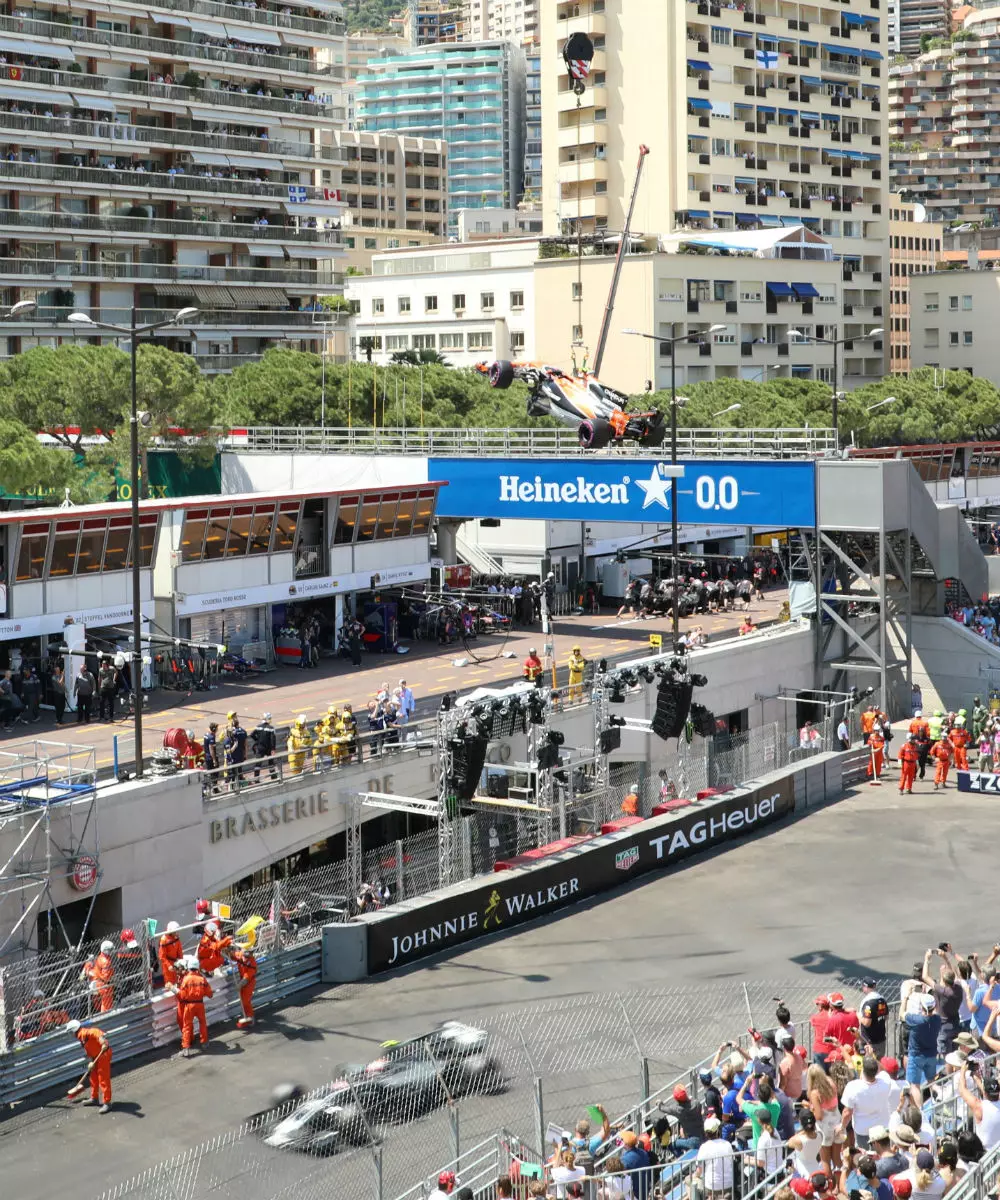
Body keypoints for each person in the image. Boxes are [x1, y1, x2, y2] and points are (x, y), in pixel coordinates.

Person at [839, 1057, 892, 1149]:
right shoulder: (886, 1082)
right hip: (883, 1128)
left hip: (863, 1132)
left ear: (863, 1070)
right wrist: (872, 1056)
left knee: (867, 1159)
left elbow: (847, 1112)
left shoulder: (853, 1087)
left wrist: (842, 1126)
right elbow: (883, 1070)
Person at [903, 993, 942, 1106]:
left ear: (922, 1007)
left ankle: (920, 1113)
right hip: (931, 1055)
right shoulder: (937, 1019)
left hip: (916, 1056)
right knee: (931, 1081)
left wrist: (905, 998)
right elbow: (935, 1011)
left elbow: (902, 1013)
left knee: (915, 1086)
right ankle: (938, 1097)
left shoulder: (916, 1020)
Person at [66, 1020, 112, 1113]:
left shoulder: (89, 1032)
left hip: (103, 1054)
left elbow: (100, 1037)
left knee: (103, 1078)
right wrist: (92, 1061)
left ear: (73, 1031)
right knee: (93, 1078)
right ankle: (94, 1098)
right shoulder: (82, 1038)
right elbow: (91, 1048)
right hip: (95, 1057)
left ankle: (107, 1103)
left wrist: (103, 1043)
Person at [176, 956, 213, 1057]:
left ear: (188, 967)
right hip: (200, 1004)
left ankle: (186, 1048)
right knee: (202, 1023)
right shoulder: (202, 979)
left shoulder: (186, 979)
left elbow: (182, 996)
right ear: (197, 967)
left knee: (187, 1026)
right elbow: (210, 994)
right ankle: (204, 1043)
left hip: (189, 1005)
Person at [859, 980, 890, 1059]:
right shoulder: (882, 999)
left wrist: (858, 1015)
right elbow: (886, 1017)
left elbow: (866, 1023)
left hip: (869, 1042)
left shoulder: (868, 1002)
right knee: (879, 1064)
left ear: (866, 987)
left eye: (863, 986)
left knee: (869, 1067)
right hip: (881, 1039)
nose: (862, 988)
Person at [82, 939, 115, 1013]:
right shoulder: (103, 961)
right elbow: (82, 976)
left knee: (104, 1002)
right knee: (104, 1003)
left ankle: (102, 1013)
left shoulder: (100, 958)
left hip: (98, 982)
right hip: (100, 984)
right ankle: (103, 1014)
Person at [788, 1109, 823, 1179]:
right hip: (816, 1169)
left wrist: (802, 1132)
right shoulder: (820, 1135)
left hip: (803, 1173)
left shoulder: (798, 1140)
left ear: (800, 1122)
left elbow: (789, 1142)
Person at [232, 944, 257, 1029]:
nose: (251, 954)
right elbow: (232, 955)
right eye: (249, 952)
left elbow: (247, 977)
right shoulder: (240, 955)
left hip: (249, 982)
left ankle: (250, 1017)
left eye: (251, 952)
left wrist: (240, 984)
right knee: (243, 1001)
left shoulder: (252, 963)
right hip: (242, 979)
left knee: (246, 1001)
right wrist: (228, 952)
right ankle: (246, 1015)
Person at [251, 713, 277, 781]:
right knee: (271, 763)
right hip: (268, 748)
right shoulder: (271, 728)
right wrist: (273, 749)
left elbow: (252, 734)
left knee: (258, 764)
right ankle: (273, 777)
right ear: (268, 719)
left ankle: (256, 779)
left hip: (260, 748)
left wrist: (257, 740)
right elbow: (272, 740)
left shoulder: (258, 726)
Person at [158, 921, 184, 989]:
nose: (176, 933)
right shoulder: (164, 940)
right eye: (175, 931)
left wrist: (181, 960)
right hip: (167, 964)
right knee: (169, 983)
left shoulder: (176, 937)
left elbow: (179, 950)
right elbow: (162, 956)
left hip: (176, 962)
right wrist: (169, 965)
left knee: (179, 980)